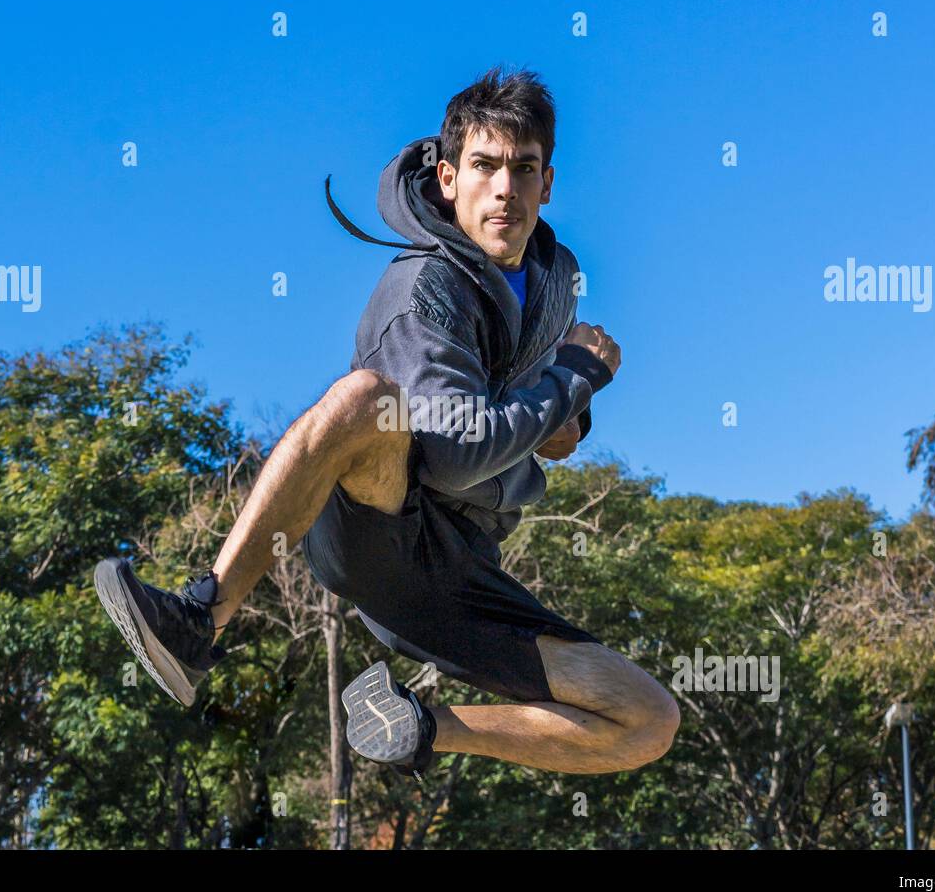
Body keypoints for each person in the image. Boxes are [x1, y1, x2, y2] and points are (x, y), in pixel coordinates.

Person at [93, 66, 679, 782]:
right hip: (382, 526)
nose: (505, 189)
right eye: (485, 167)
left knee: (647, 720)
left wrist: (567, 407)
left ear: (548, 183)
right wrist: (578, 376)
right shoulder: (421, 289)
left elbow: (551, 431)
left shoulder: (556, 278)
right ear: (446, 178)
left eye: (524, 170)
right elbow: (459, 456)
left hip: (462, 572)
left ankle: (420, 727)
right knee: (363, 398)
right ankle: (199, 619)